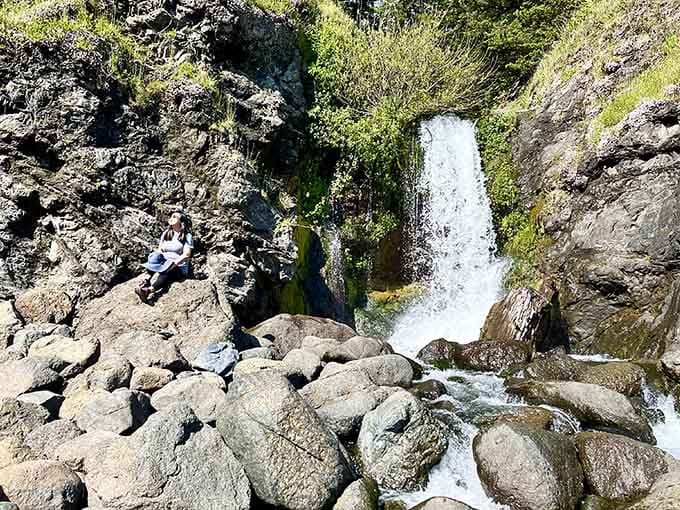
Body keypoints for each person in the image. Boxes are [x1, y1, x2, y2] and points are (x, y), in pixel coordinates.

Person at [136, 211, 194, 302]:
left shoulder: (187, 236)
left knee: (167, 271)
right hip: (164, 263)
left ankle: (148, 291)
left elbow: (186, 254)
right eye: (171, 216)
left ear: (181, 222)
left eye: (175, 217)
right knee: (155, 256)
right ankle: (146, 281)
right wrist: (154, 258)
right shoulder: (166, 233)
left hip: (178, 267)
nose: (171, 218)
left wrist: (174, 264)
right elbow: (160, 250)